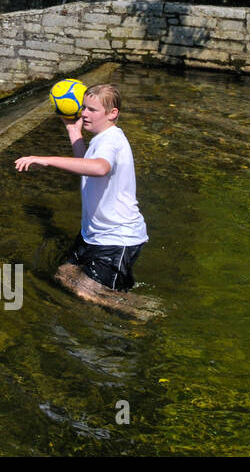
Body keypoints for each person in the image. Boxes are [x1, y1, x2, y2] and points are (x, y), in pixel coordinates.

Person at [15, 83, 150, 307]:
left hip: (117, 238)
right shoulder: (102, 137)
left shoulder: (112, 141)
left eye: (91, 110)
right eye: (83, 107)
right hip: (93, 234)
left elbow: (99, 168)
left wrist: (47, 160)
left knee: (87, 293)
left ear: (112, 113)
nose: (83, 113)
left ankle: (142, 309)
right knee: (63, 274)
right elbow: (86, 166)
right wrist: (74, 132)